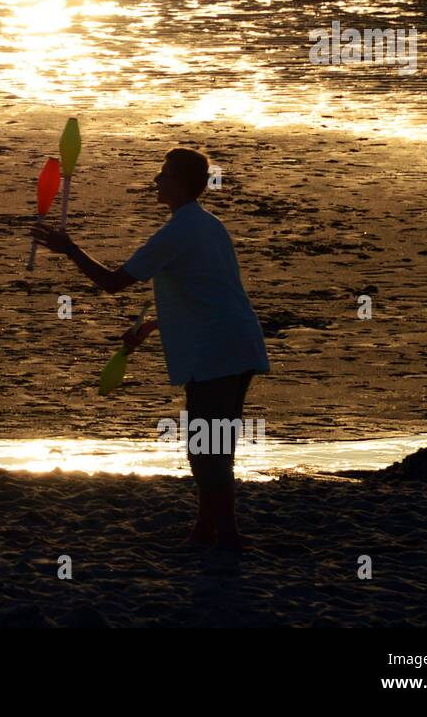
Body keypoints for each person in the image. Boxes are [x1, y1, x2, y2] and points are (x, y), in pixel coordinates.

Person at [33, 147, 269, 551]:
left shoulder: (178, 231)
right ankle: (210, 532)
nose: (156, 181)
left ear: (178, 183)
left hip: (215, 352)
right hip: (238, 343)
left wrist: (69, 249)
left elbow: (113, 283)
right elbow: (210, 290)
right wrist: (154, 326)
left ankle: (221, 535)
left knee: (206, 448)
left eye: (163, 175)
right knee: (214, 445)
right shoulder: (210, 226)